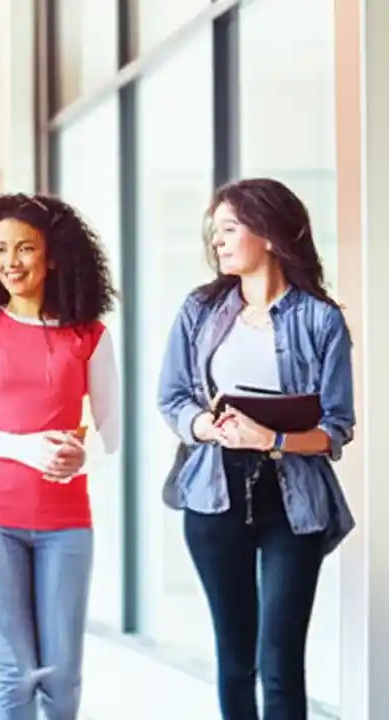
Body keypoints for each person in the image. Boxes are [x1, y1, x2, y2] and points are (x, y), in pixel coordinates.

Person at [157, 178, 355, 720]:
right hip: (213, 495)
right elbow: (172, 398)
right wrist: (205, 426)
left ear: (267, 234)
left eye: (228, 229)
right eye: (213, 231)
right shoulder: (198, 310)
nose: (216, 242)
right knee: (235, 659)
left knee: (281, 660)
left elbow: (337, 428)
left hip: (295, 505)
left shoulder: (321, 319)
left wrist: (273, 438)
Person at [0, 193, 120, 720]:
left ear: (53, 255)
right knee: (16, 671)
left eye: (24, 249)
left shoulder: (90, 334)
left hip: (66, 523)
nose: (10, 262)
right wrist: (24, 448)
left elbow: (111, 433)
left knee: (60, 678)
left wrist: (79, 456)